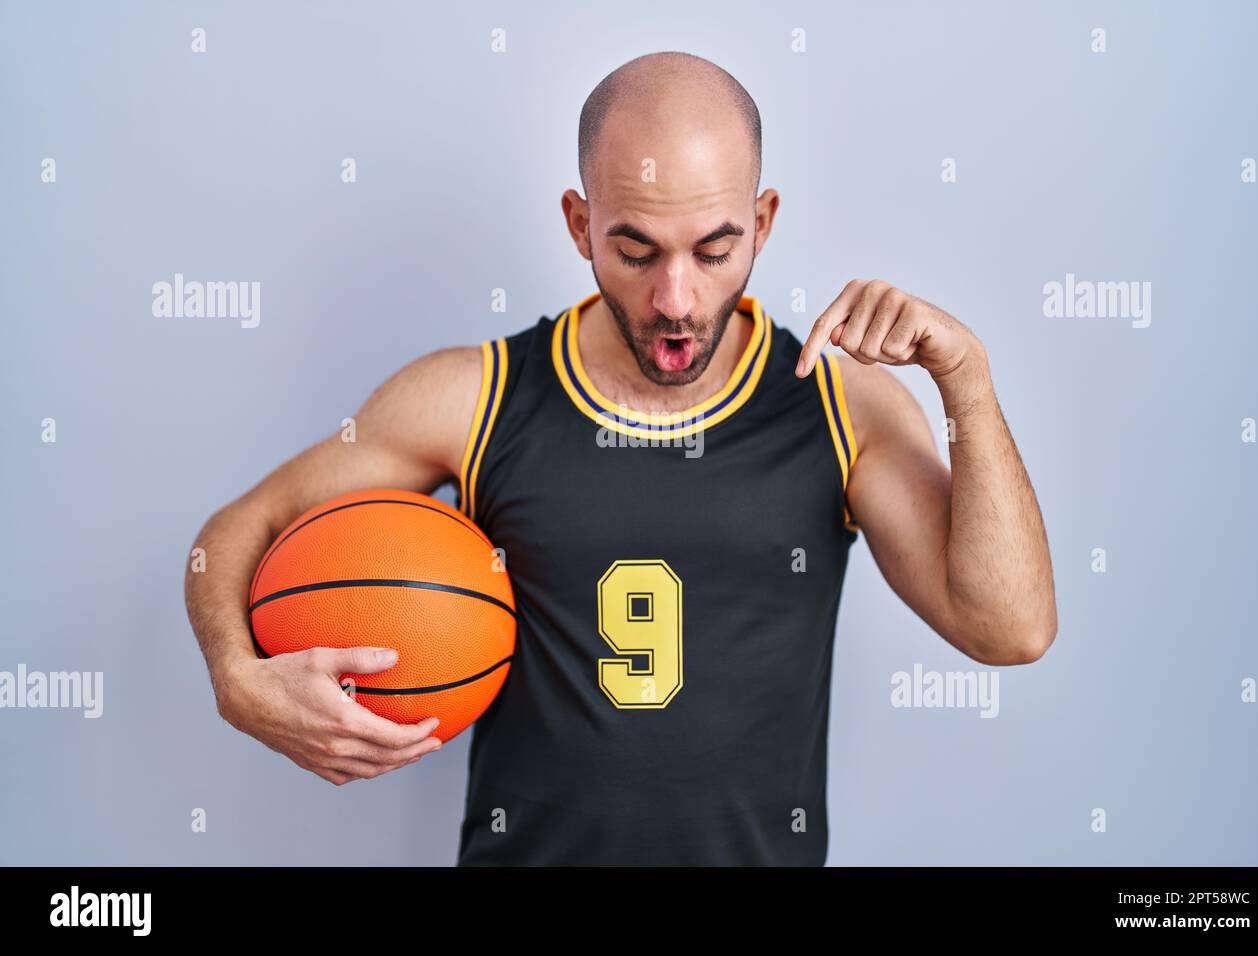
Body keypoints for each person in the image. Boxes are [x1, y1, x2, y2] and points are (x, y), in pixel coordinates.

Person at [184, 51, 1057, 866]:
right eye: (635, 250)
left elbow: (1009, 630)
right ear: (579, 223)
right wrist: (235, 674)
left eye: (715, 251)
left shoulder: (839, 407)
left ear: (762, 224)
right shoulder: (474, 397)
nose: (676, 299)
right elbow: (241, 528)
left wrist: (966, 384)